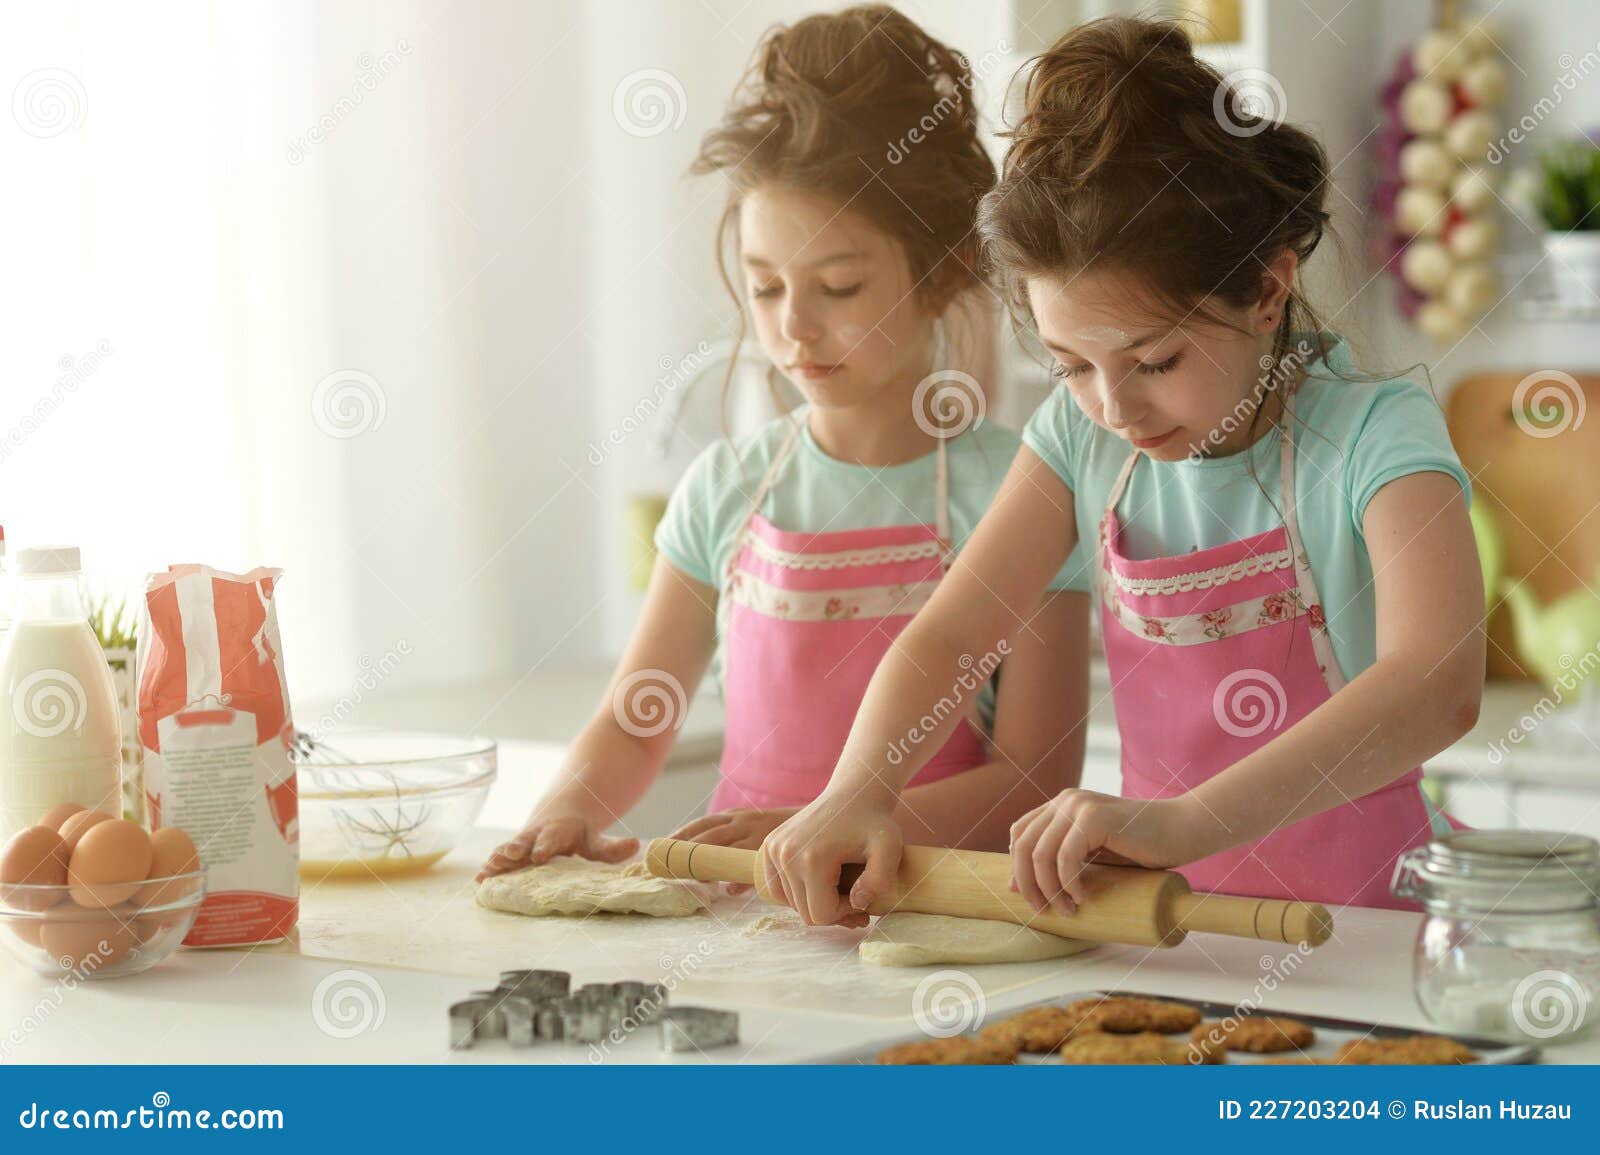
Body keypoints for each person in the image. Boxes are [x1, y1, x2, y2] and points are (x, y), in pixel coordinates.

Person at [760, 16, 1483, 922]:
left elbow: (1437, 684)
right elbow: (950, 638)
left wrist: (1182, 823)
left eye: (1155, 362)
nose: (1113, 406)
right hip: (1165, 940)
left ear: (1267, 289)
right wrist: (858, 789)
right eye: (1070, 364)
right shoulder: (1081, 437)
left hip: (1364, 937)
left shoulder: (1379, 432)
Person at [479, 6, 1088, 892]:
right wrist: (562, 811)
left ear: (948, 269)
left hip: (935, 914)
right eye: (765, 287)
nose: (793, 327)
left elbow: (1035, 777)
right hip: (738, 915)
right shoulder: (724, 490)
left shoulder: (1025, 497)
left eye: (839, 285)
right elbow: (639, 717)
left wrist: (838, 823)